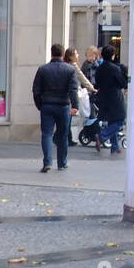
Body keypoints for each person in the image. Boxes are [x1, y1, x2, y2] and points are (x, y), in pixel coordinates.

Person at [31, 42, 78, 172]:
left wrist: (39, 104)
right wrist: (75, 105)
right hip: (63, 105)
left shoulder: (43, 69)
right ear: (63, 55)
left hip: (47, 105)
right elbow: (73, 90)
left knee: (46, 134)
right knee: (63, 135)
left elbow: (36, 90)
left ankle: (47, 162)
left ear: (51, 53)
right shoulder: (70, 70)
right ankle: (62, 162)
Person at [94, 44, 128, 154]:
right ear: (112, 56)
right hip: (115, 96)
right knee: (120, 120)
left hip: (104, 96)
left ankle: (115, 146)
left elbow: (97, 83)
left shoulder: (100, 68)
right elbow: (122, 83)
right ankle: (102, 136)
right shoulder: (115, 69)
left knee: (112, 120)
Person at [64, 47, 96, 150]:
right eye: (76, 53)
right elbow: (82, 78)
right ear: (71, 56)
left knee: (67, 117)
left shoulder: (66, 65)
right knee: (69, 117)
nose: (78, 55)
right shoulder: (73, 66)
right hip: (71, 94)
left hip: (64, 94)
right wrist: (92, 88)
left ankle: (66, 137)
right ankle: (66, 138)